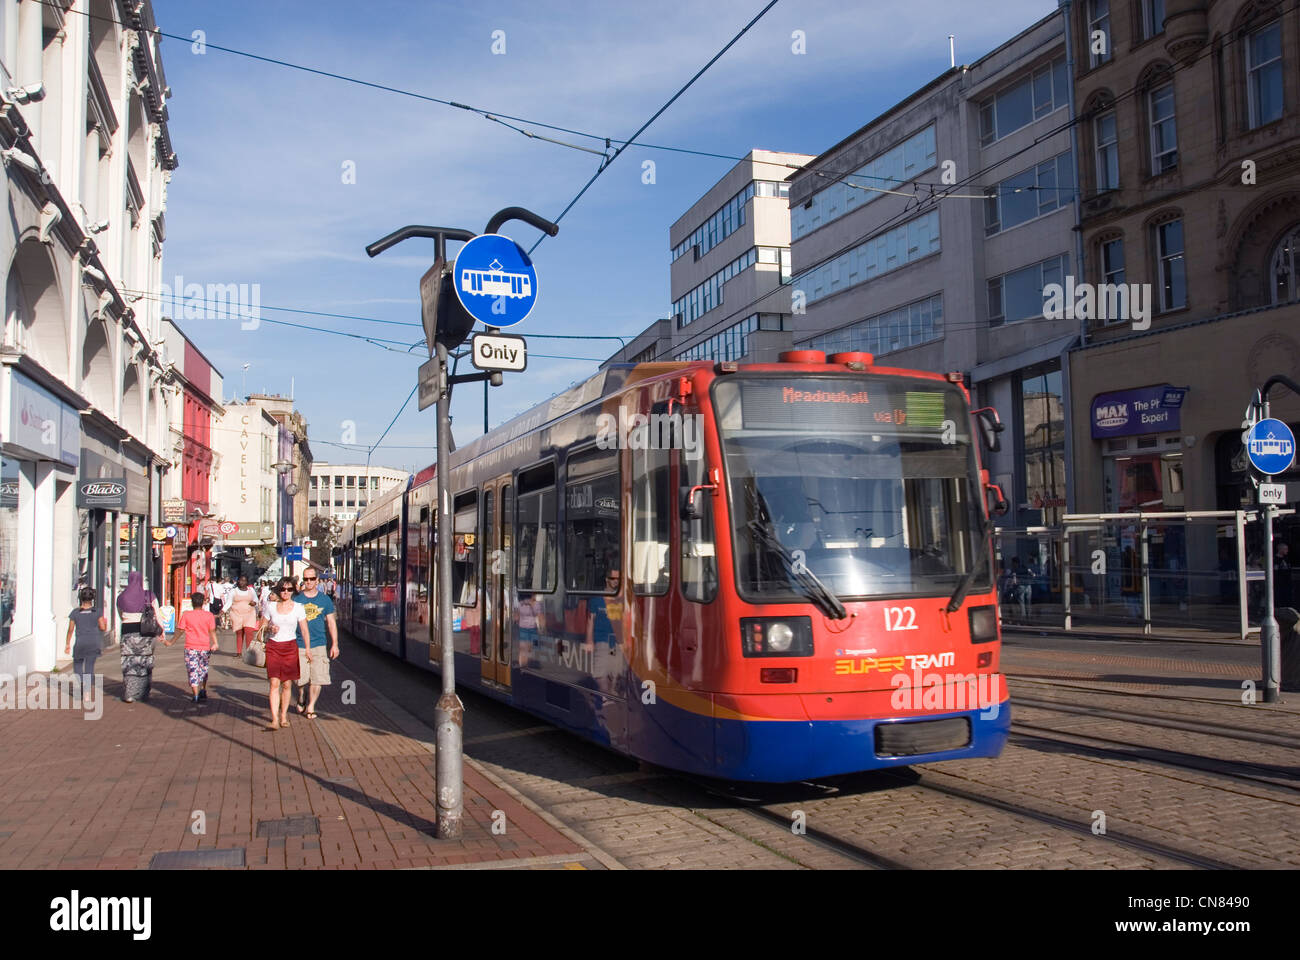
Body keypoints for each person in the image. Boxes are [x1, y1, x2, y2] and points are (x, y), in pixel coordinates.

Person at [260, 577, 309, 730]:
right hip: (274, 646)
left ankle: (283, 715)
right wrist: (270, 628)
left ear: (293, 591)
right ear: (278, 590)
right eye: (283, 589)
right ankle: (274, 719)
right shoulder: (271, 606)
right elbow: (261, 627)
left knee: (287, 684)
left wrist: (308, 649)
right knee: (274, 683)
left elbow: (304, 630)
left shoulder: (299, 607)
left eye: (289, 589)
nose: (286, 592)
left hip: (290, 647)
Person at [292, 569, 338, 719]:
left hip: (319, 643)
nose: (309, 582)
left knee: (317, 677)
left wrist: (335, 644)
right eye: (306, 579)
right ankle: (300, 694)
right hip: (299, 643)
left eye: (312, 579)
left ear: (317, 580)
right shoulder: (297, 600)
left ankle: (311, 706)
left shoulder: (325, 600)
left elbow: (331, 623)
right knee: (299, 678)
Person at [117, 571, 161, 703]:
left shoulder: (121, 597)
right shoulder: (149, 595)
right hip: (146, 631)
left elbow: (120, 614)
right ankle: (143, 693)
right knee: (145, 661)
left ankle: (129, 694)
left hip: (127, 631)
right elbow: (157, 614)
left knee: (128, 661)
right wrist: (161, 630)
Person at [168, 592, 218, 703]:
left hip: (191, 647)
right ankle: (203, 689)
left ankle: (195, 695)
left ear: (192, 603)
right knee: (203, 669)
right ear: (203, 602)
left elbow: (180, 630)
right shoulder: (209, 615)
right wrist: (215, 643)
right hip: (205, 647)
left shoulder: (186, 615)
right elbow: (212, 631)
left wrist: (171, 642)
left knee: (193, 670)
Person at [65, 587, 107, 707]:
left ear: (80, 598)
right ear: (92, 599)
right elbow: (103, 627)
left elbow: (70, 629)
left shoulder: (75, 613)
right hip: (93, 642)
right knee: (89, 666)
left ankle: (82, 682)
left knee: (77, 665)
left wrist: (67, 644)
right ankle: (87, 693)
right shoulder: (97, 612)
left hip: (80, 642)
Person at [225, 575, 260, 656]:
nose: (242, 582)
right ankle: (239, 652)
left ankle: (248, 652)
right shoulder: (233, 591)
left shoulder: (251, 590)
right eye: (240, 580)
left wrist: (254, 603)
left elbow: (256, 600)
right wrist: (222, 611)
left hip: (249, 614)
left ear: (247, 582)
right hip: (237, 614)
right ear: (238, 581)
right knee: (239, 633)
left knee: (249, 632)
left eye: (244, 581)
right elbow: (228, 602)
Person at [1276, 542, 1294, 609]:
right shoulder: (1275, 559)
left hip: (1287, 583)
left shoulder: (1287, 559)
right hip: (1279, 584)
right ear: (1280, 549)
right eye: (1285, 549)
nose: (1287, 551)